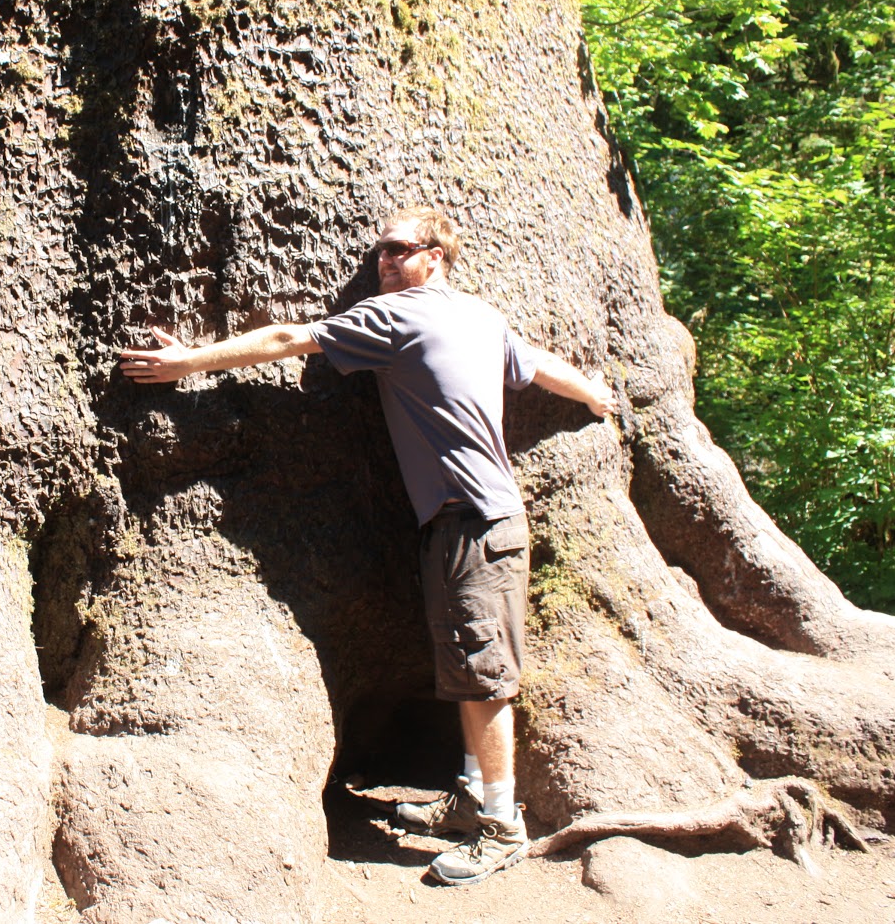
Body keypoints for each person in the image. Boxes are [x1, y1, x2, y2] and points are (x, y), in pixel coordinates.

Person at [119, 210, 615, 885]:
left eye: (397, 249)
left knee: (484, 676)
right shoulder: (480, 317)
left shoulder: (401, 315)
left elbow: (289, 338)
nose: (382, 260)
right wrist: (594, 394)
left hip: (475, 523)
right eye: (380, 250)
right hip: (466, 522)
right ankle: (473, 799)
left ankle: (501, 828)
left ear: (436, 256)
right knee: (467, 663)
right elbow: (540, 365)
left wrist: (189, 361)